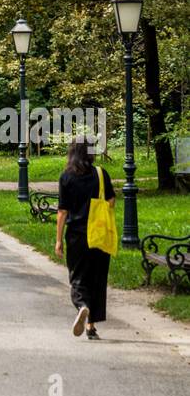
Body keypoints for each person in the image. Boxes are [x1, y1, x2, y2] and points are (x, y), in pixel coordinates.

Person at [55, 136, 116, 339]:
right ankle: (91, 326)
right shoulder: (100, 173)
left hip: (77, 236)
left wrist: (58, 240)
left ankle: (82, 305)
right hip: (98, 234)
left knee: (78, 277)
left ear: (72, 153)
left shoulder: (66, 177)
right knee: (97, 278)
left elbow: (62, 212)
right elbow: (111, 201)